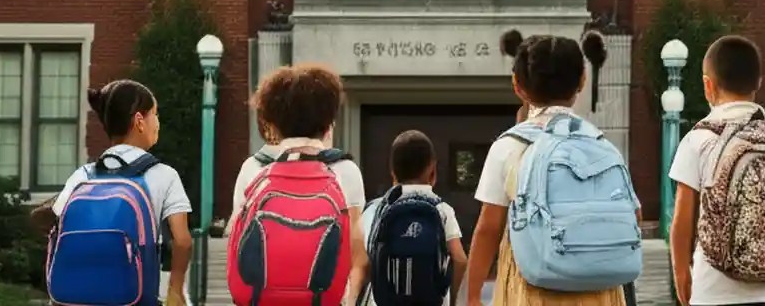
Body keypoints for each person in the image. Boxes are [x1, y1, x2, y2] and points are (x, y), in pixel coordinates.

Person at [466, 30, 639, 306]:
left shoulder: (510, 147)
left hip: (532, 289)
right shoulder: (602, 145)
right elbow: (633, 217)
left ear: (517, 85)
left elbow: (488, 227)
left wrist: (473, 295)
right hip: (599, 291)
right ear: (582, 80)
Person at [668, 36, 765, 306]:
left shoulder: (699, 138)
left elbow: (681, 220)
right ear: (759, 82)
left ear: (707, 85)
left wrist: (682, 275)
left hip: (715, 291)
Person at [227, 63, 368, 306]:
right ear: (327, 124)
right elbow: (357, 255)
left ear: (274, 123)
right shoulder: (345, 170)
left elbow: (236, 242)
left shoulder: (254, 168)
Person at [51, 79, 193, 306]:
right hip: (135, 297)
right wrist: (175, 291)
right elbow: (182, 241)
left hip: (78, 299)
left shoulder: (83, 176)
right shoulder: (164, 175)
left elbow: (57, 226)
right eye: (155, 115)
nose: (158, 123)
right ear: (139, 121)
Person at [360, 130, 468, 306]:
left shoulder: (375, 209)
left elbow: (363, 263)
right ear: (433, 171)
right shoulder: (441, 209)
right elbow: (460, 259)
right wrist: (453, 299)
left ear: (392, 172)